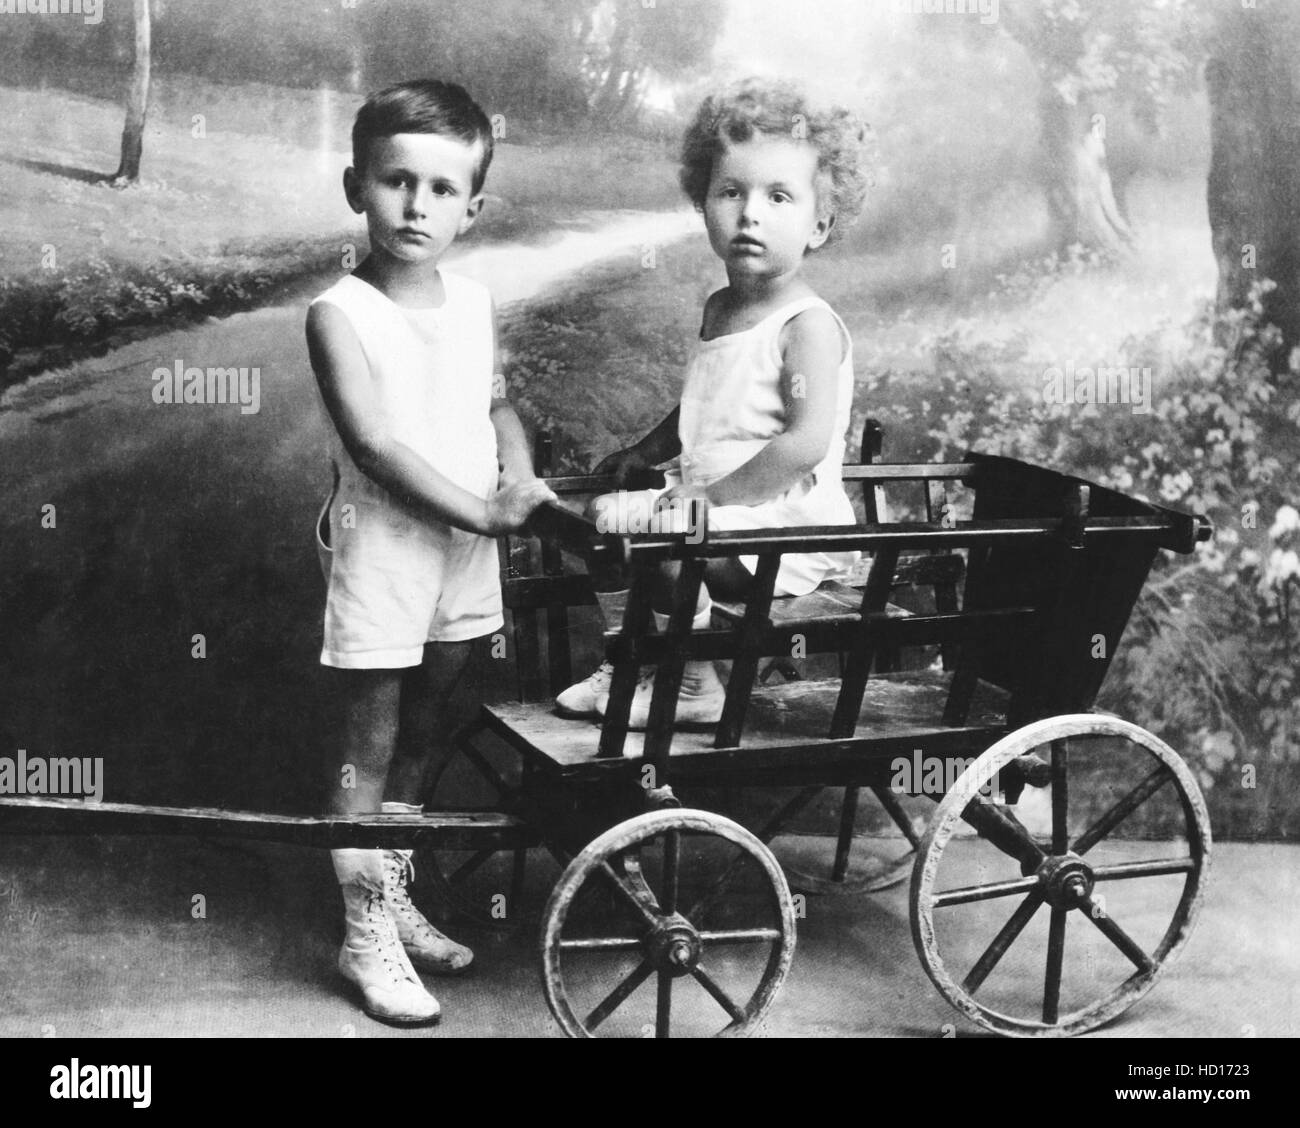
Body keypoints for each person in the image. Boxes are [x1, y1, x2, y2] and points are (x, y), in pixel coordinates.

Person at [307, 79, 555, 1025]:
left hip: (465, 547)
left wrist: (518, 478)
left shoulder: (476, 298)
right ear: (354, 186)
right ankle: (360, 932)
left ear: (473, 207)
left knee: (429, 724)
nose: (418, 207)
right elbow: (375, 445)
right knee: (364, 748)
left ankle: (394, 898)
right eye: (395, 181)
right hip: (386, 551)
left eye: (443, 190)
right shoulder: (341, 313)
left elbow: (494, 404)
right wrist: (484, 515)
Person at [556, 78, 870, 729]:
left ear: (820, 223)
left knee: (673, 543)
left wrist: (712, 500)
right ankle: (628, 661)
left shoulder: (806, 326)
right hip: (707, 510)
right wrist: (646, 452)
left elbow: (802, 444)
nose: (750, 213)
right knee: (600, 523)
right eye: (731, 192)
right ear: (704, 205)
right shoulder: (719, 310)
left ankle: (696, 686)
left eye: (778, 196)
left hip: (780, 526)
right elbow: (703, 403)